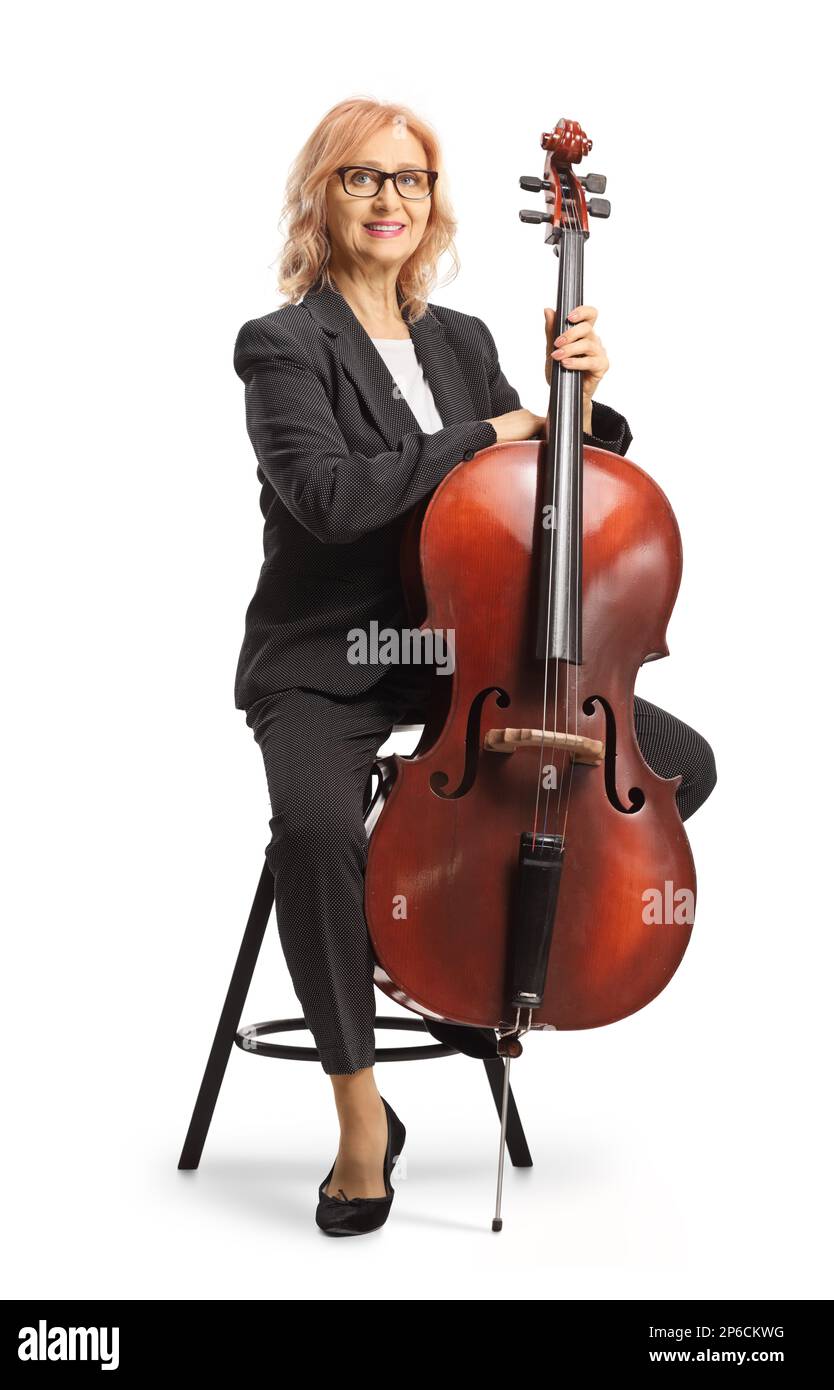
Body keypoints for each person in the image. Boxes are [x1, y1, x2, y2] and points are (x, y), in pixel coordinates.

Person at [232, 98, 717, 1235]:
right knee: (311, 831)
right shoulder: (281, 344)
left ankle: (455, 918)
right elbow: (333, 497)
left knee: (678, 767)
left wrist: (576, 405)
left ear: (432, 201)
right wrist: (484, 434)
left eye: (409, 179)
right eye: (361, 179)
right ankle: (360, 1116)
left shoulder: (458, 341)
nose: (389, 199)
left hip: (462, 654)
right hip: (334, 656)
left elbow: (536, 484)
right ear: (321, 197)